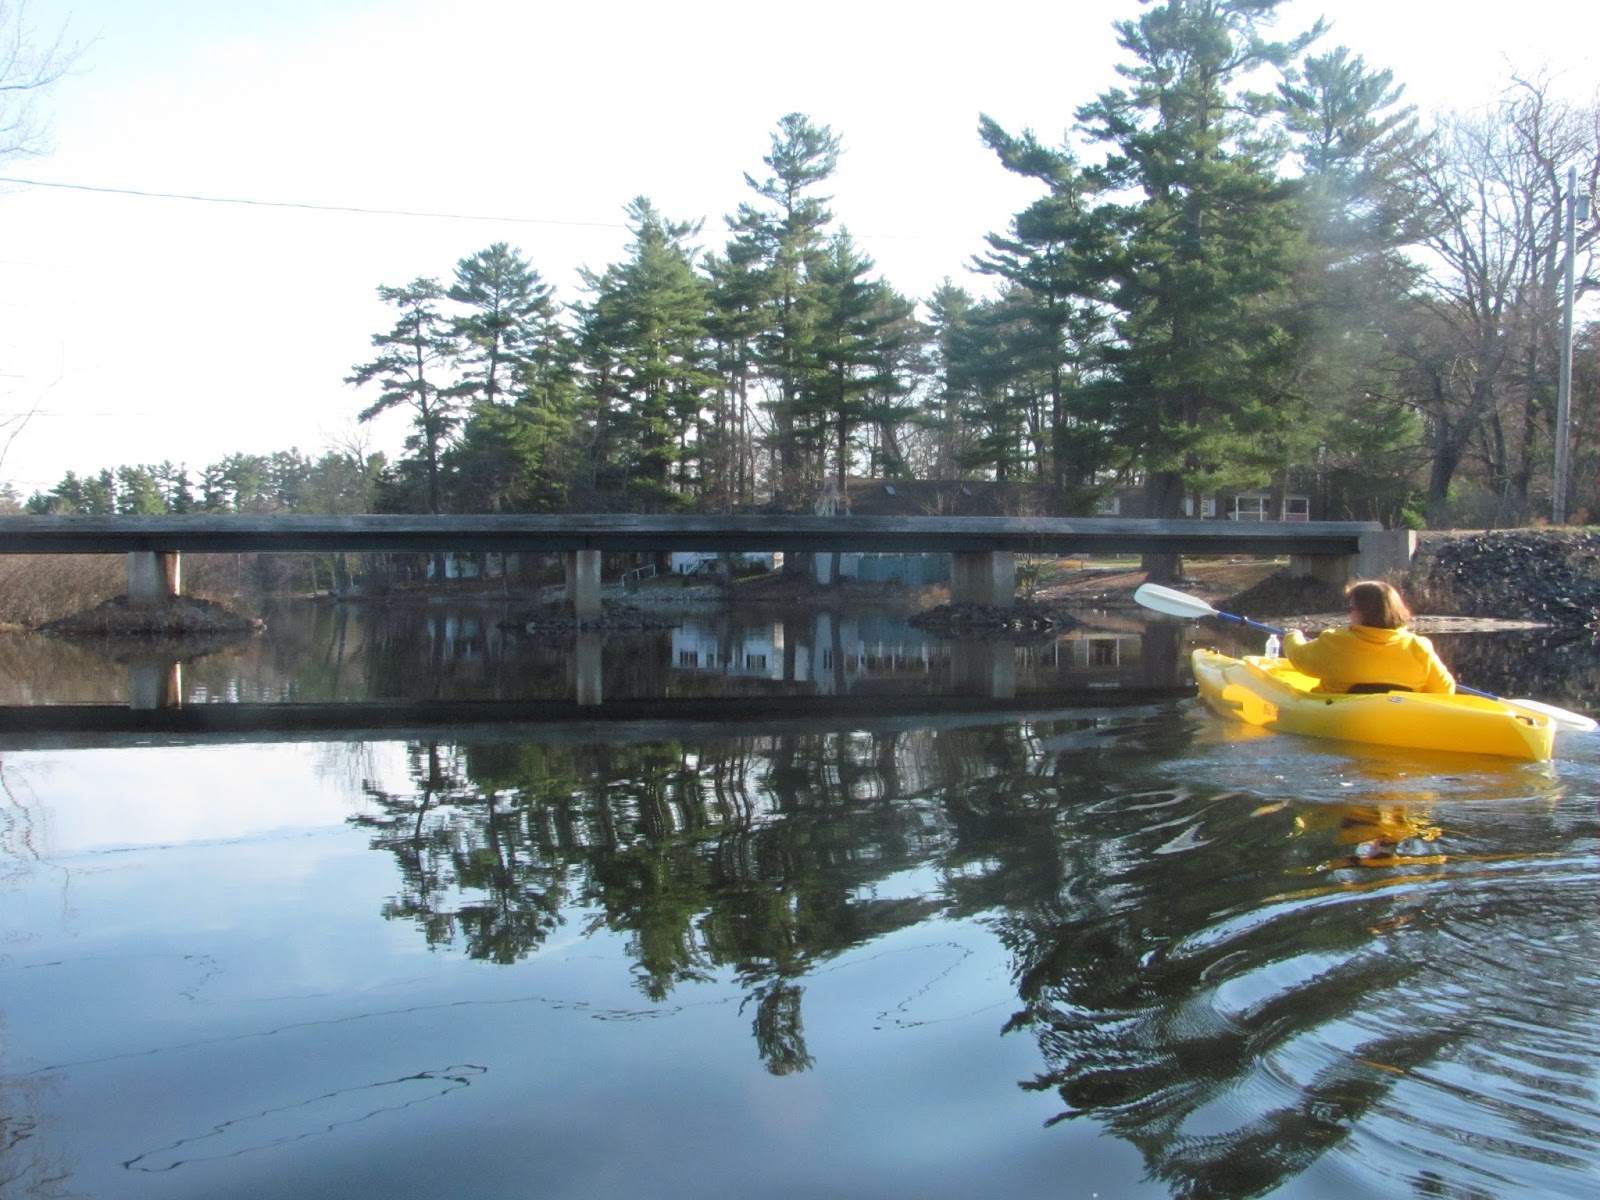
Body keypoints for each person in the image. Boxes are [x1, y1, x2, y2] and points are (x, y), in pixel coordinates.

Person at [1282, 580, 1455, 695]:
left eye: (1350, 607)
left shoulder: (1336, 642)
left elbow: (1300, 658)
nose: (1348, 613)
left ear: (1365, 612)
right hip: (1400, 719)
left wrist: (1292, 636)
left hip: (1337, 717)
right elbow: (1445, 689)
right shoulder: (1419, 647)